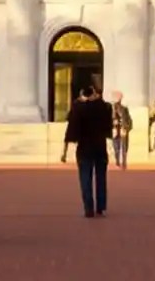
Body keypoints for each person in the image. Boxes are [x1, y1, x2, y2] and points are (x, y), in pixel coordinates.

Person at [61, 85, 113, 218]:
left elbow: (71, 129)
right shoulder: (105, 107)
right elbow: (108, 128)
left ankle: (88, 207)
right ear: (95, 93)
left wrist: (65, 149)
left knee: (85, 178)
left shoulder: (78, 108)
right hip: (100, 146)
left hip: (84, 147)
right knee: (101, 177)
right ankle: (101, 207)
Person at [110, 91, 133, 170]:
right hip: (115, 131)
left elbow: (129, 120)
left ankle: (124, 163)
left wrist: (126, 128)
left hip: (123, 131)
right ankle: (117, 162)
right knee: (116, 148)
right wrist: (112, 125)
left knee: (124, 148)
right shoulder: (110, 109)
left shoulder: (125, 109)